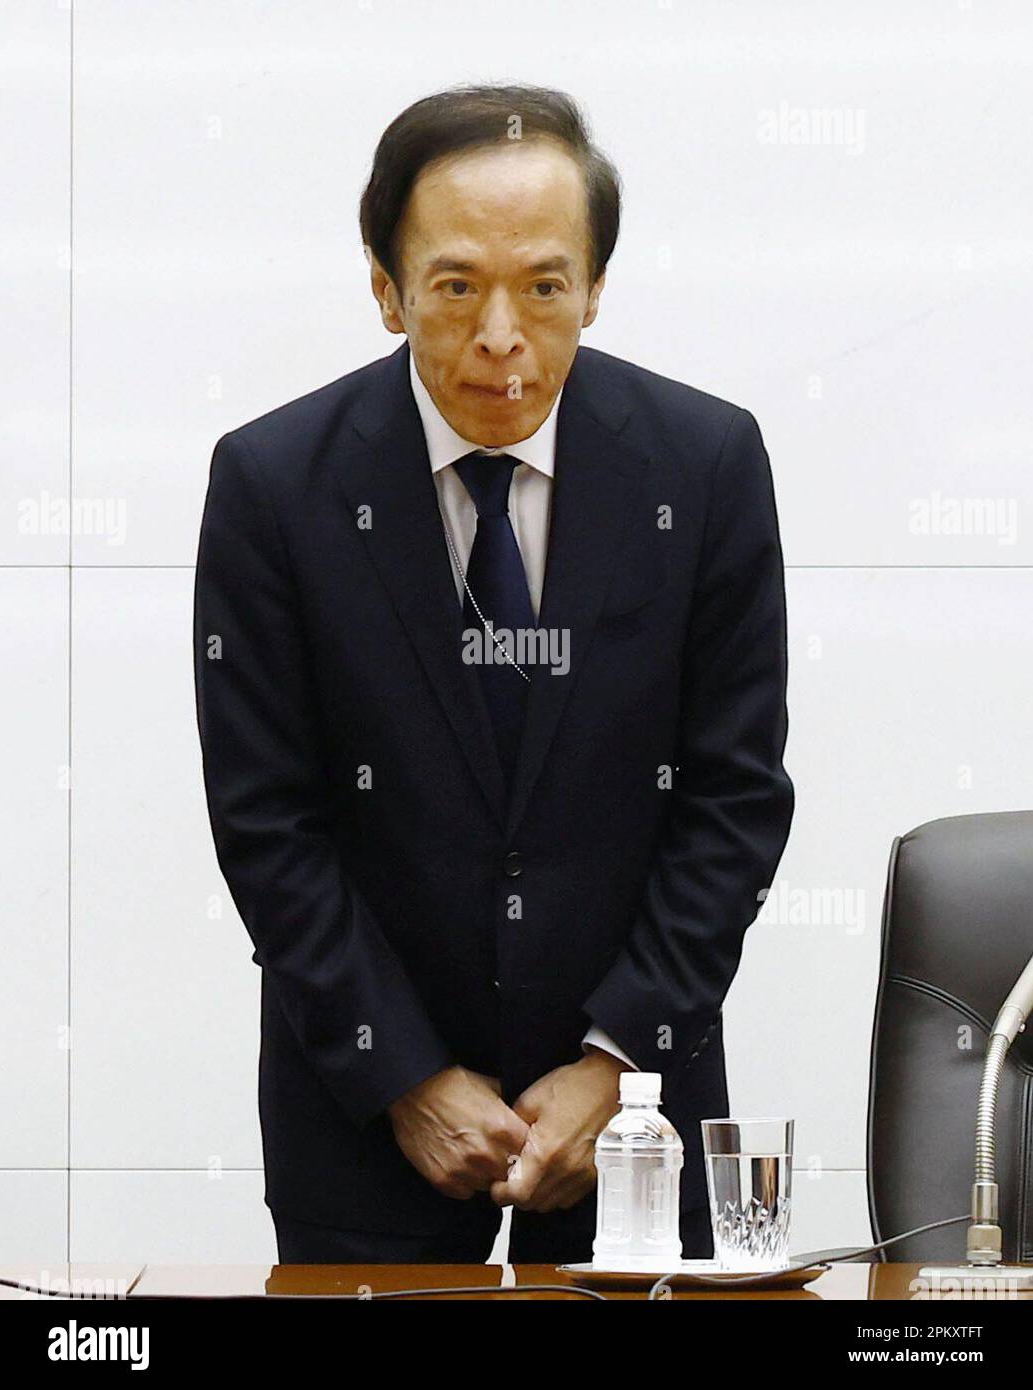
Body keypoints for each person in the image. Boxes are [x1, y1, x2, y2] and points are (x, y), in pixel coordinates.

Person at [192, 82, 794, 1265]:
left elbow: (734, 797)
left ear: (597, 286)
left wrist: (617, 1064)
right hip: (365, 1117)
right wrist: (405, 1074)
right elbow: (268, 819)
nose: (503, 338)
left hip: (637, 1114)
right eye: (457, 285)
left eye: (546, 286)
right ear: (385, 286)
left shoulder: (706, 466)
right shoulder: (274, 485)